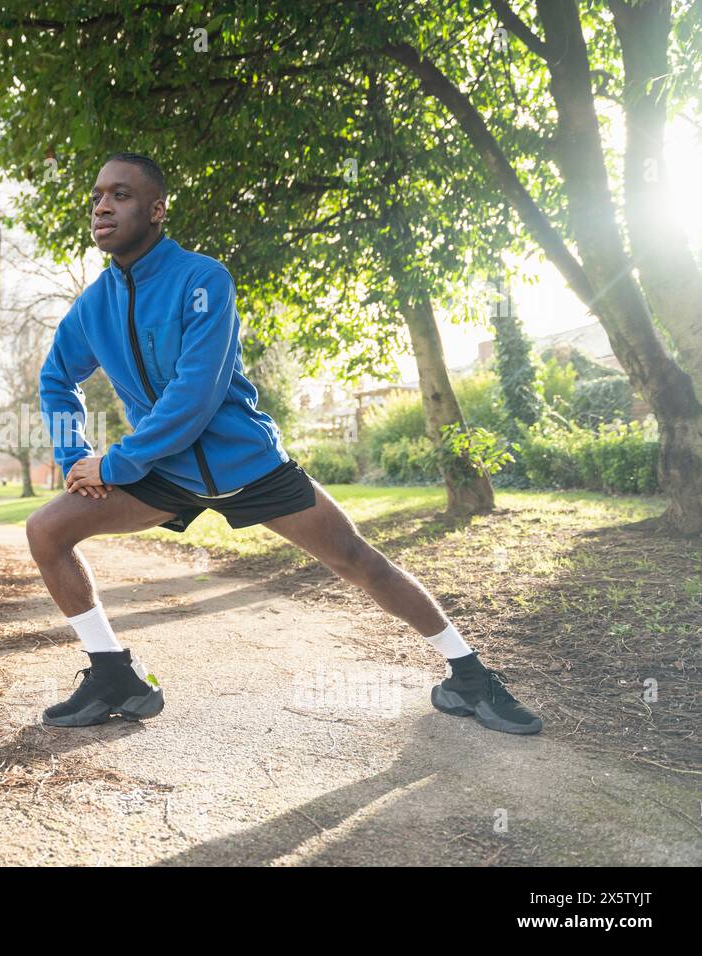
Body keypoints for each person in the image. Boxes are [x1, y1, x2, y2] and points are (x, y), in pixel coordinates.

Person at [26, 151, 542, 736]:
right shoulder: (92, 306)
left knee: (357, 560)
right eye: (97, 195)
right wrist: (75, 457)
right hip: (162, 474)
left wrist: (117, 462)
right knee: (47, 530)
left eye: (120, 195)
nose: (102, 206)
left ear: (157, 210)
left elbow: (195, 394)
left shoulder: (202, 280)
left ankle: (469, 676)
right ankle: (114, 675)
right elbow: (56, 378)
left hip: (245, 465)